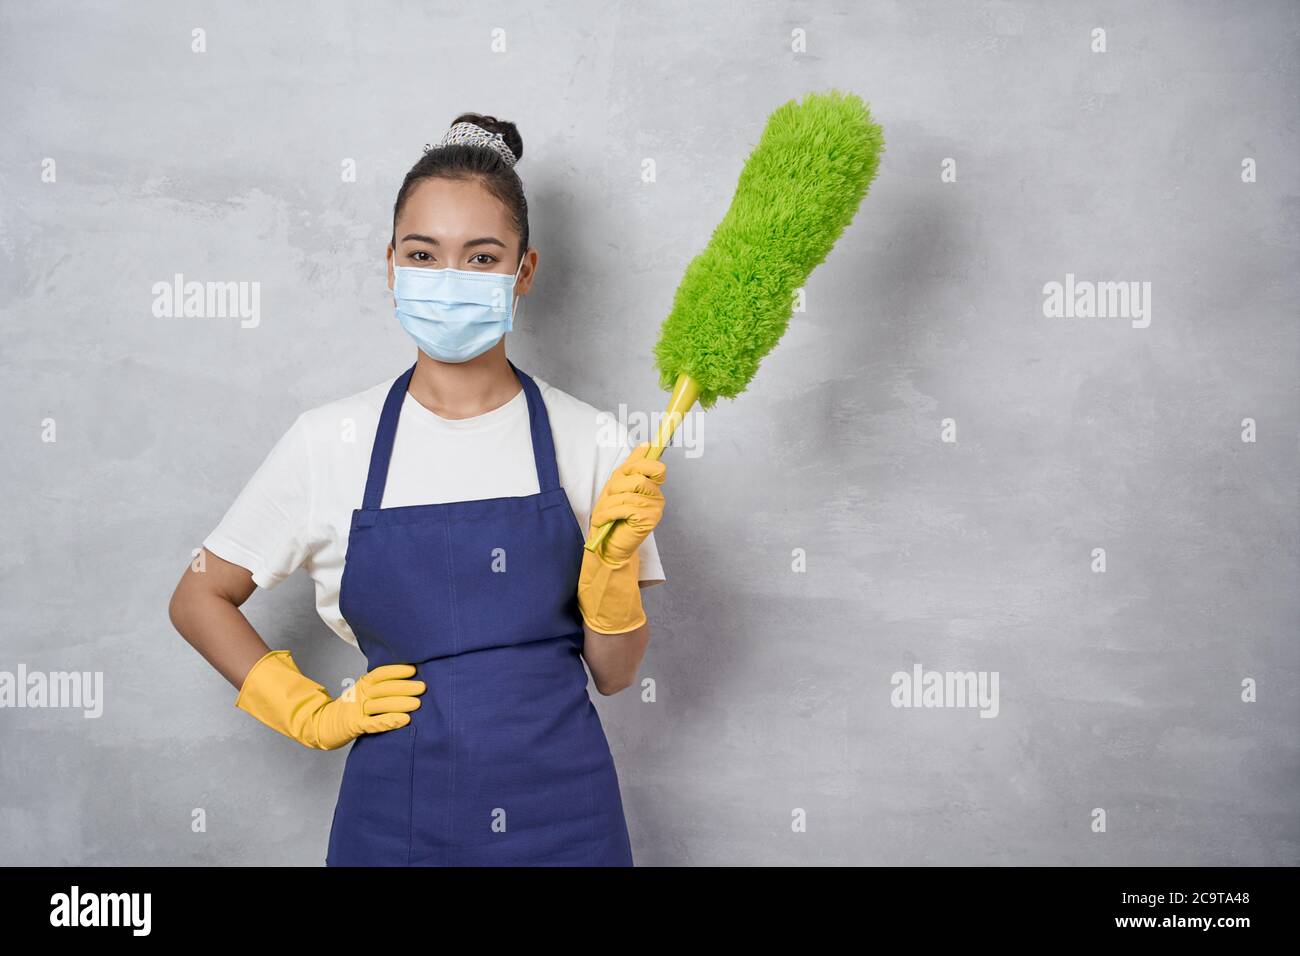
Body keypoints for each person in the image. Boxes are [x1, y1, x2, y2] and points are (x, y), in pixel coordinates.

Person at [167, 113, 667, 866]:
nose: (448, 279)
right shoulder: (329, 441)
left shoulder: (593, 441)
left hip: (566, 817)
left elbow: (617, 674)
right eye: (424, 254)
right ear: (392, 265)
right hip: (394, 824)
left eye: (482, 257)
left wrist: (611, 578)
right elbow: (198, 596)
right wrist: (308, 712)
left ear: (524, 272)